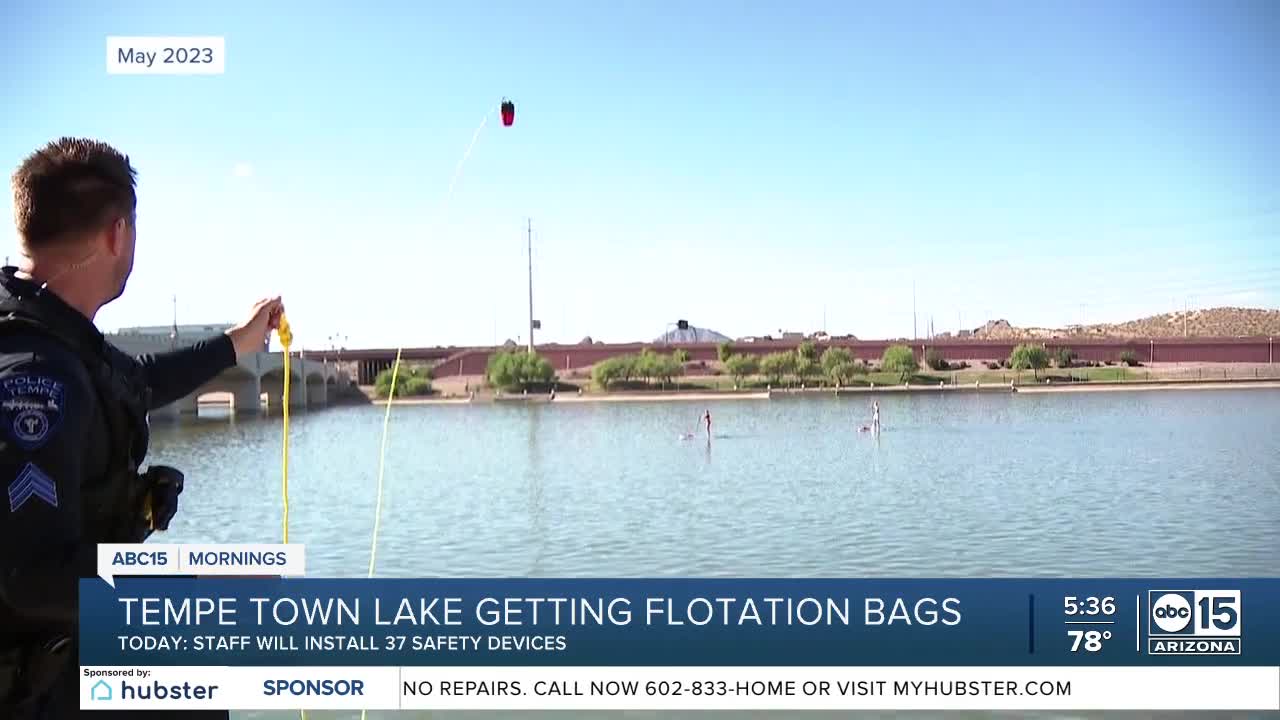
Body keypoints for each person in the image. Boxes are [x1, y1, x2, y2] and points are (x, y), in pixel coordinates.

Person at [0, 138, 284, 719]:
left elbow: (136, 382)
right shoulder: (36, 377)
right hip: (39, 685)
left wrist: (239, 341)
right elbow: (25, 578)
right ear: (118, 234)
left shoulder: (46, 333)